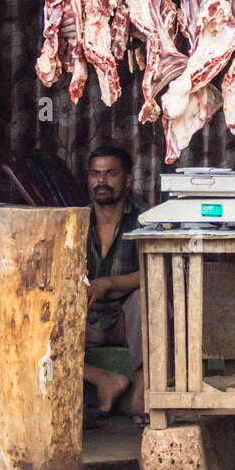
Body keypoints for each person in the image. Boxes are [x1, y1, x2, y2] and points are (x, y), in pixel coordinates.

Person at [83, 145, 146, 422]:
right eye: (96, 174)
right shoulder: (76, 222)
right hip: (87, 317)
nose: (102, 181)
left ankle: (143, 392)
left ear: (128, 180)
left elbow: (152, 272)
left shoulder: (144, 221)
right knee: (30, 325)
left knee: (147, 299)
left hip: (124, 318)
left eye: (110, 173)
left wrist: (107, 283)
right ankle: (103, 379)